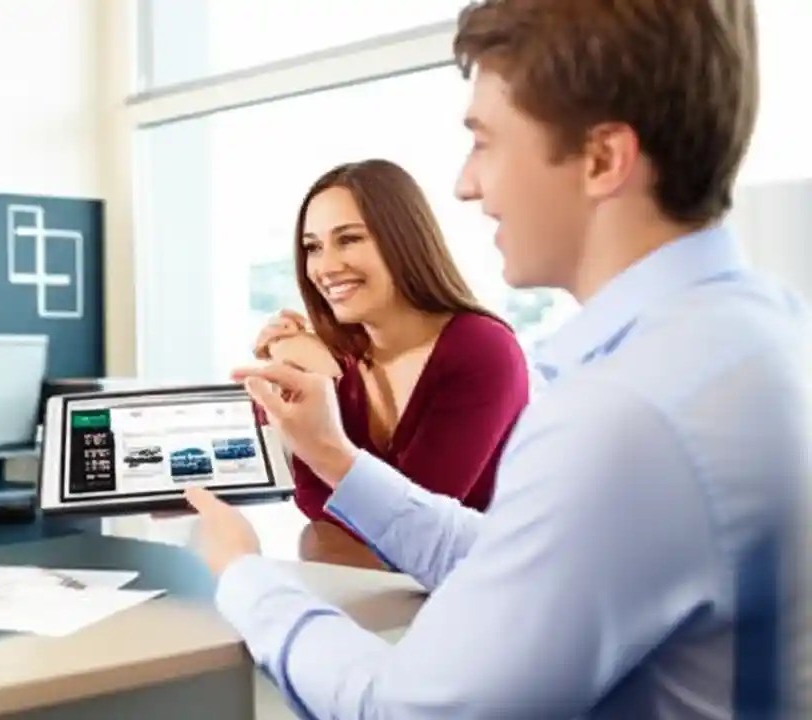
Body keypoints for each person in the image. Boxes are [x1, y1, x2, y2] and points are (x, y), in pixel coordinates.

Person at [187, 1, 811, 717]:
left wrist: (244, 576)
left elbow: (409, 711)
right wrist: (332, 454)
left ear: (602, 159)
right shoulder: (752, 337)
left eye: (484, 142)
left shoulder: (624, 416)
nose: (466, 184)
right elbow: (511, 554)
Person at [252, 160, 528, 530]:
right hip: (360, 569)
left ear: (404, 240)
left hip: (481, 567)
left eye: (349, 239)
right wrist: (290, 380)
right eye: (313, 247)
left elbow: (409, 526)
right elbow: (310, 502)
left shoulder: (482, 349)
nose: (325, 267)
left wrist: (327, 394)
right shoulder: (336, 358)